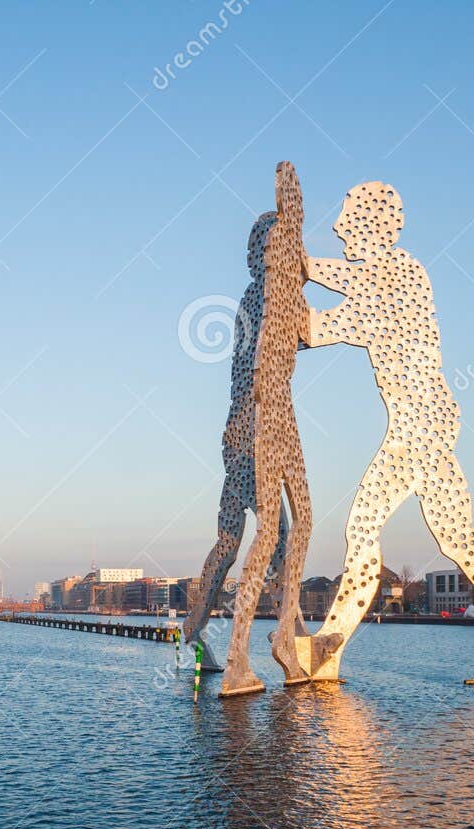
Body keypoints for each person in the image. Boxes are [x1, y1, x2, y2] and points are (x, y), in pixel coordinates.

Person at [295, 181, 474, 683]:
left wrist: (295, 276)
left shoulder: (401, 276)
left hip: (419, 426)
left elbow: (328, 324)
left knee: (365, 529)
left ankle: (327, 648)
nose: (338, 224)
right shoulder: (383, 278)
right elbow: (346, 290)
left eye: (347, 213)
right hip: (424, 422)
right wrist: (301, 269)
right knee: (455, 536)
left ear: (372, 223)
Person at [218, 161, 314, 697]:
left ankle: (281, 635)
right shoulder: (269, 296)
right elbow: (256, 371)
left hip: (279, 417)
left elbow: (308, 333)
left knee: (300, 524)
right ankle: (238, 658)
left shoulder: (272, 297)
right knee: (270, 532)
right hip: (266, 419)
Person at [183, 211, 291, 664]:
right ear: (260, 253)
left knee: (230, 541)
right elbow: (282, 346)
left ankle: (193, 630)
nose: (279, 255)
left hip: (240, 436)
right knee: (280, 536)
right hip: (249, 441)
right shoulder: (263, 296)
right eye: (274, 247)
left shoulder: (255, 298)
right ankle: (276, 636)